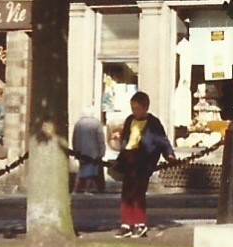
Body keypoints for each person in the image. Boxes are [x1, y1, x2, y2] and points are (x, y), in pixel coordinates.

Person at [114, 92, 177, 237]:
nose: (134, 112)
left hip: (143, 160)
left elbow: (162, 141)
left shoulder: (153, 123)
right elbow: (126, 137)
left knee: (138, 192)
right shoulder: (130, 120)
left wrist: (169, 154)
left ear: (145, 107)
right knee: (126, 192)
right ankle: (126, 223)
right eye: (133, 108)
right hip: (129, 158)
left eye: (137, 108)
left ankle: (139, 222)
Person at [71, 109, 107, 194]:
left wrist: (76, 150)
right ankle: (87, 190)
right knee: (91, 172)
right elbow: (100, 139)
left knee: (81, 171)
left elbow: (74, 138)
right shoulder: (96, 123)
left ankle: (75, 190)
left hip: (81, 151)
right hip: (93, 151)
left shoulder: (78, 124)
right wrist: (102, 151)